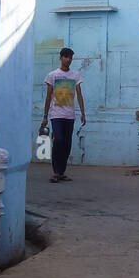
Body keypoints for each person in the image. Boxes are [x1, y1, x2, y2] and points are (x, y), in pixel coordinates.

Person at [39, 47, 86, 182]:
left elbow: (79, 95)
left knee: (67, 144)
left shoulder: (75, 75)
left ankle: (61, 172)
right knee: (58, 140)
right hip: (56, 115)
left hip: (70, 116)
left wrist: (83, 112)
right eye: (66, 57)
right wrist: (45, 116)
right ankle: (55, 172)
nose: (68, 60)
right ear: (60, 58)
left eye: (70, 57)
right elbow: (48, 97)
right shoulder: (52, 75)